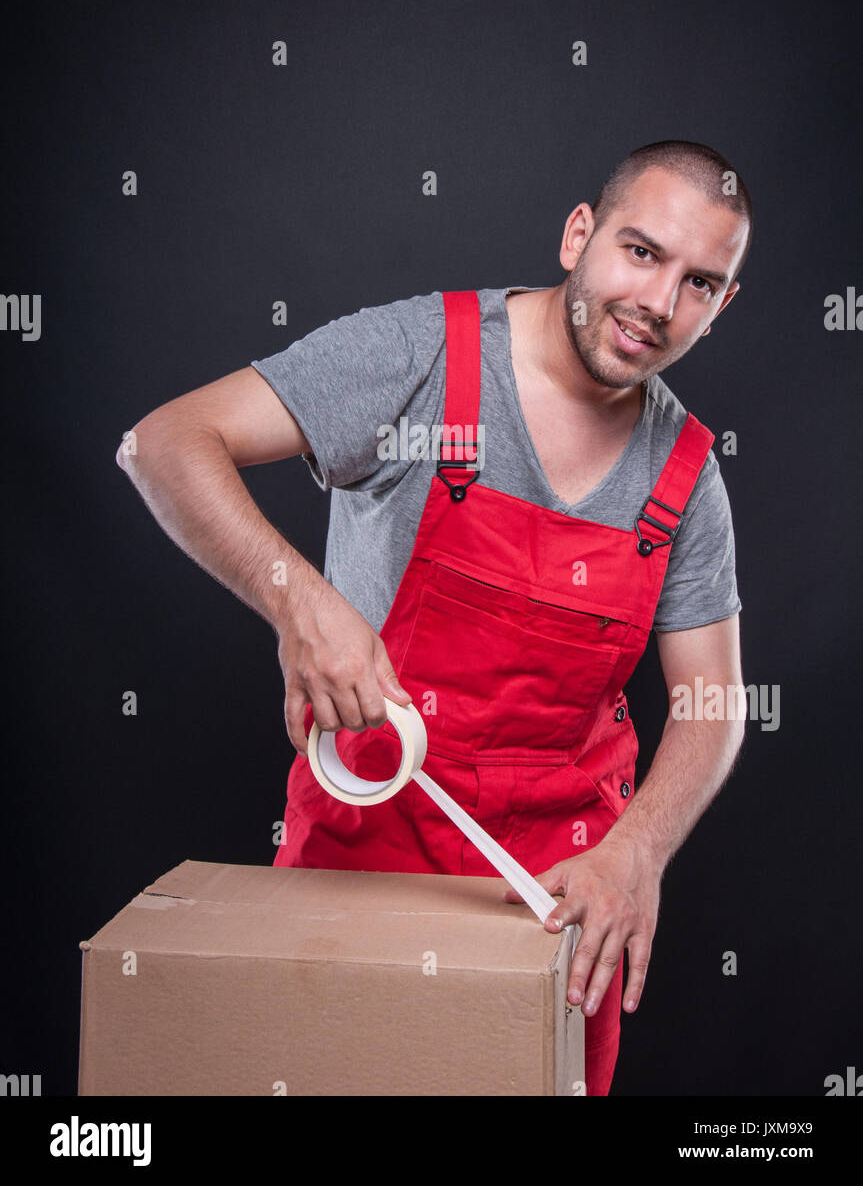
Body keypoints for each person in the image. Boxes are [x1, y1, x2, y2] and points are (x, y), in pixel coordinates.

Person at [117, 139, 749, 1096]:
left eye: (699, 282)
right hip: (364, 851)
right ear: (579, 234)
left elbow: (712, 702)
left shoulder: (685, 474)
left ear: (721, 305)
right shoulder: (421, 357)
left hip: (554, 899)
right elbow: (163, 442)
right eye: (640, 252)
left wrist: (638, 850)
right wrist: (302, 604)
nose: (658, 304)